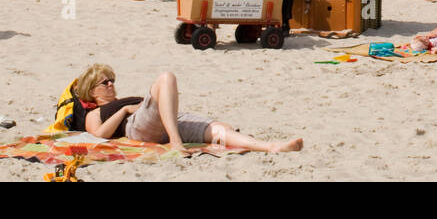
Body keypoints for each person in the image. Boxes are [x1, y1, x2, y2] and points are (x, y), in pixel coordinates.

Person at [73, 64, 302, 153]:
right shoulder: (94, 113)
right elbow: (99, 135)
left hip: (162, 118)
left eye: (112, 79)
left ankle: (271, 147)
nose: (111, 84)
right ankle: (175, 141)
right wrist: (123, 111)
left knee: (219, 128)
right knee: (166, 77)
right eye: (105, 82)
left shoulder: (119, 99)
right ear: (92, 91)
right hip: (137, 126)